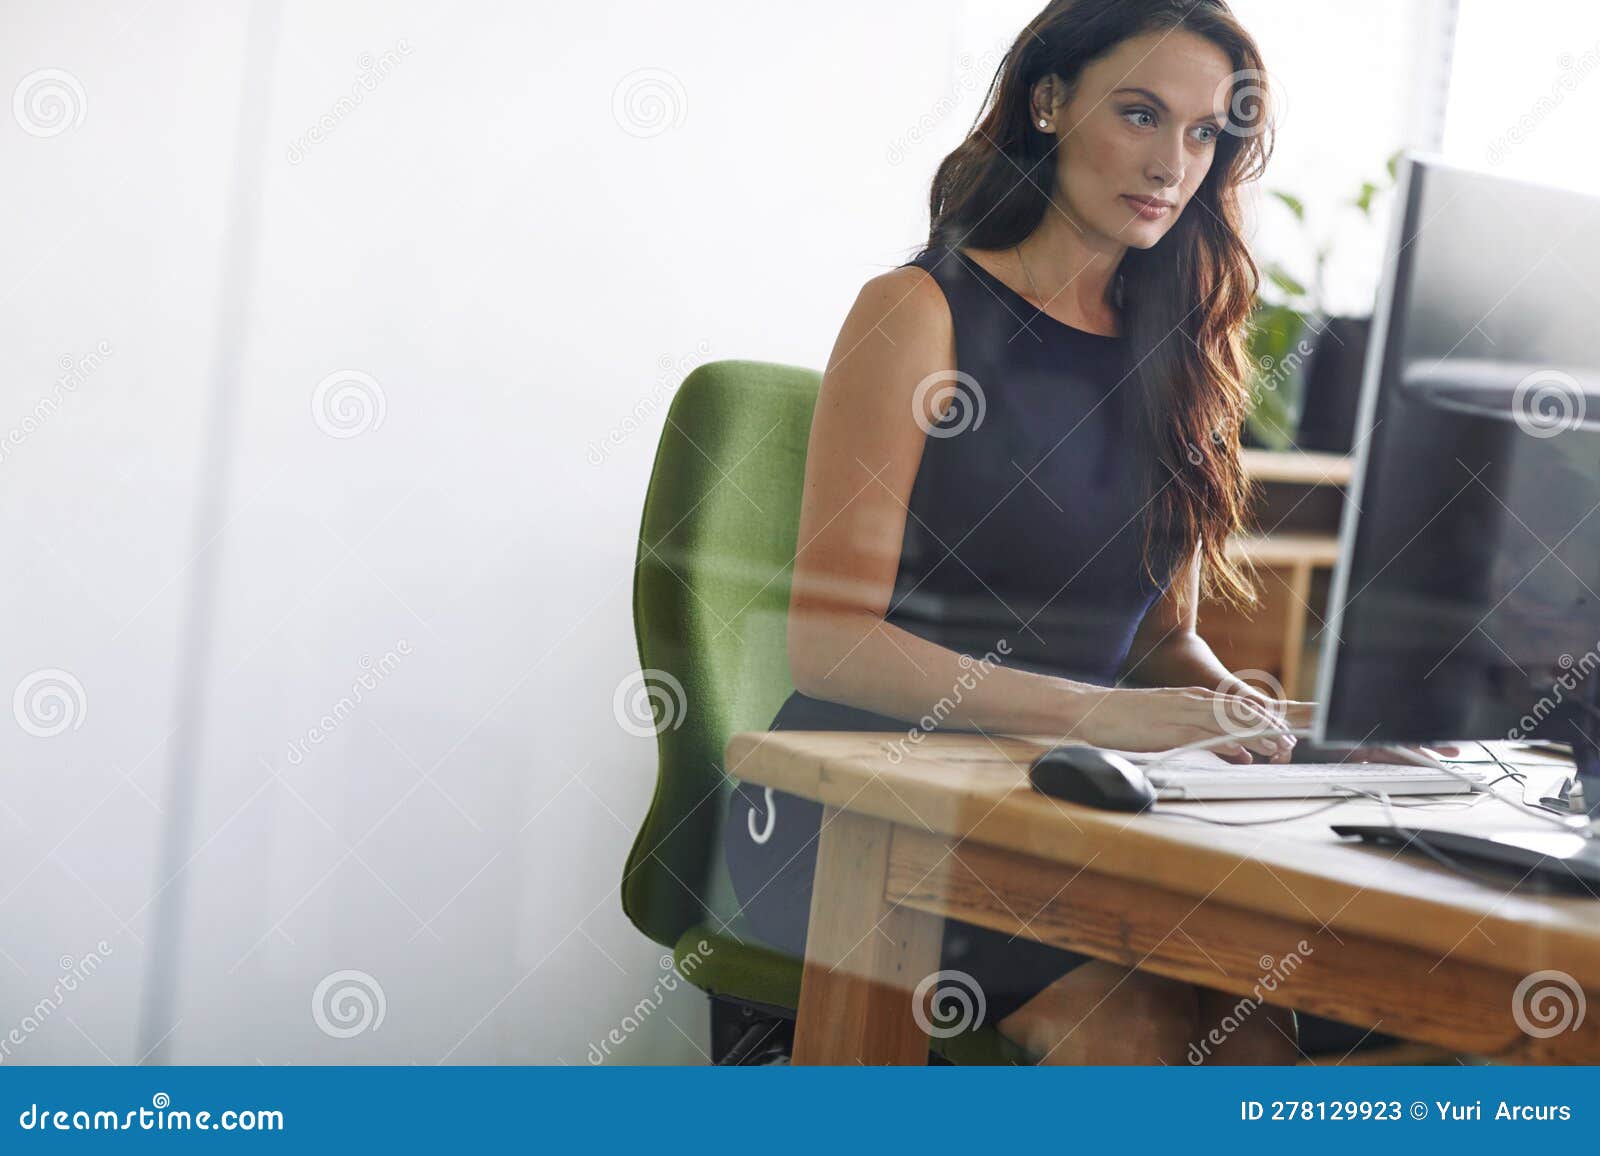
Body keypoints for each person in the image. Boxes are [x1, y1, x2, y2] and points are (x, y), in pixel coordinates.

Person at [724, 0, 1306, 1065]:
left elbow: (1155, 641)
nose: (1171, 162)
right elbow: (830, 642)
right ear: (1047, 101)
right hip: (865, 807)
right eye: (1138, 114)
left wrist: (1229, 713)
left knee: (1258, 1028)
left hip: (1065, 810)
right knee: (1130, 1028)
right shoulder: (918, 312)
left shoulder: (1181, 357)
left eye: (1203, 132)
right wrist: (1099, 718)